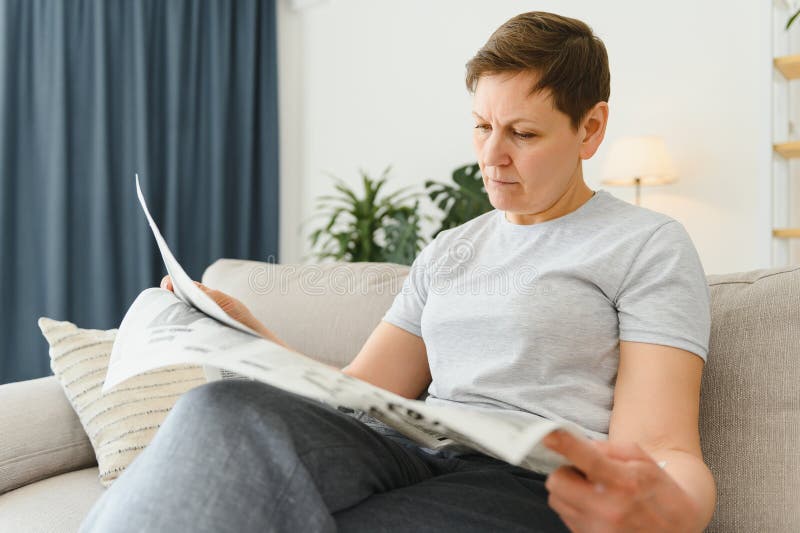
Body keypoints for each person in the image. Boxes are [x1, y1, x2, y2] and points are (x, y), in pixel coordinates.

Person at [80, 11, 715, 533]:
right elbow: (362, 391)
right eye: (482, 126)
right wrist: (249, 334)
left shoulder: (645, 244)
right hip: (410, 454)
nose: (491, 156)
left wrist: (665, 512)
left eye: (522, 133)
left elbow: (665, 450)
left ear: (591, 128)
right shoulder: (450, 250)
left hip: (526, 483)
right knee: (220, 409)